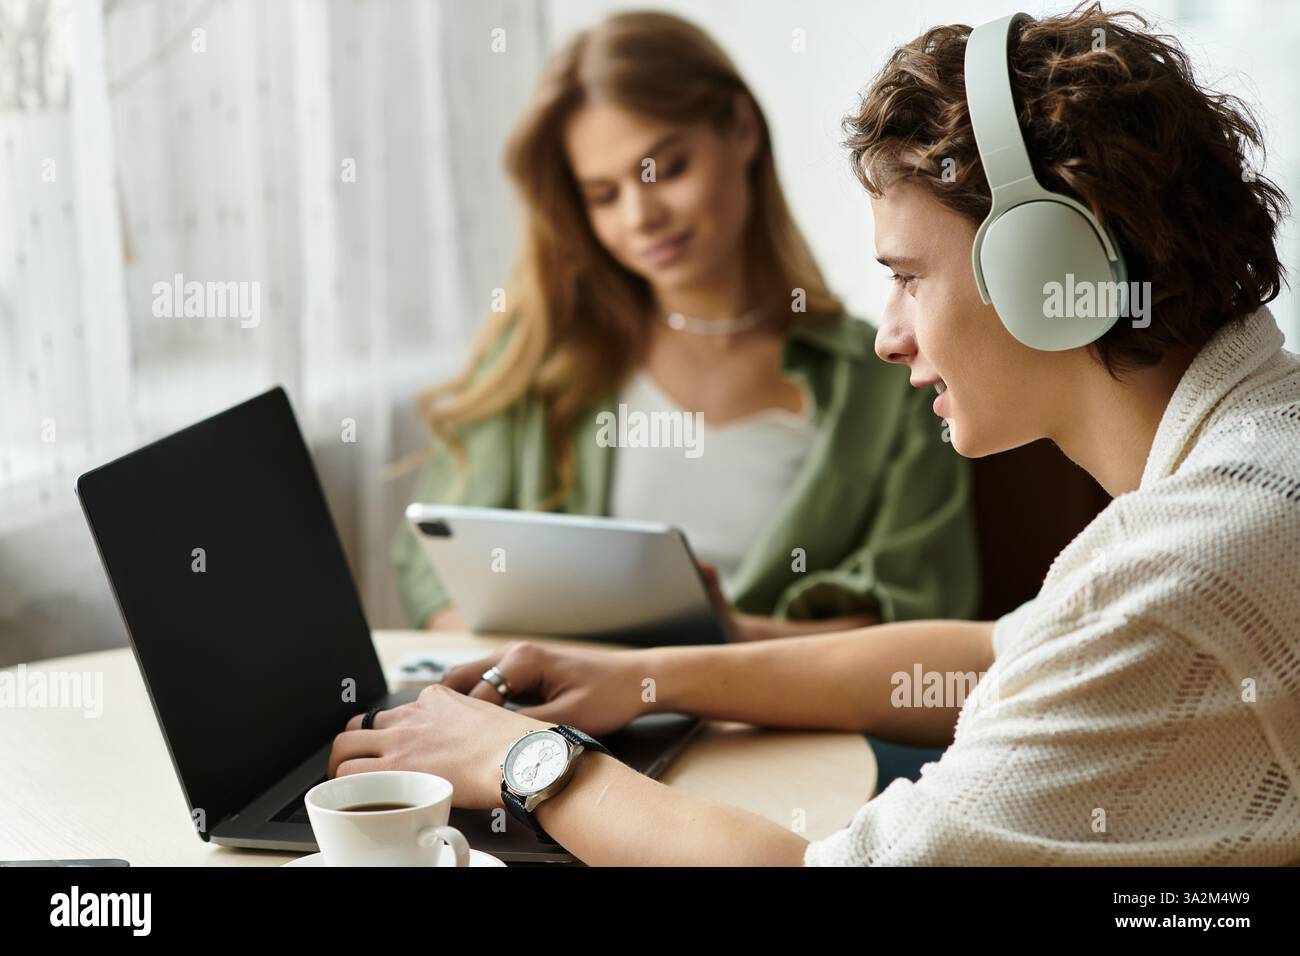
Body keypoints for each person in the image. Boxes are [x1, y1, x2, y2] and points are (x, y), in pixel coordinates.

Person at [334, 5, 1300, 865]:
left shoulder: (1172, 572)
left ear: (1050, 269)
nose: (889, 334)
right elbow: (995, 658)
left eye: (909, 277)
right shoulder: (1248, 462)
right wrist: (643, 678)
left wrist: (523, 760)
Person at [391, 10, 980, 643]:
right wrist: (531, 667)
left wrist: (713, 651)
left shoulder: (890, 377)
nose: (640, 215)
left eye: (667, 169)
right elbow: (432, 569)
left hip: (775, 707)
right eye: (603, 195)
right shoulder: (539, 356)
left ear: (742, 129)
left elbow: (925, 622)